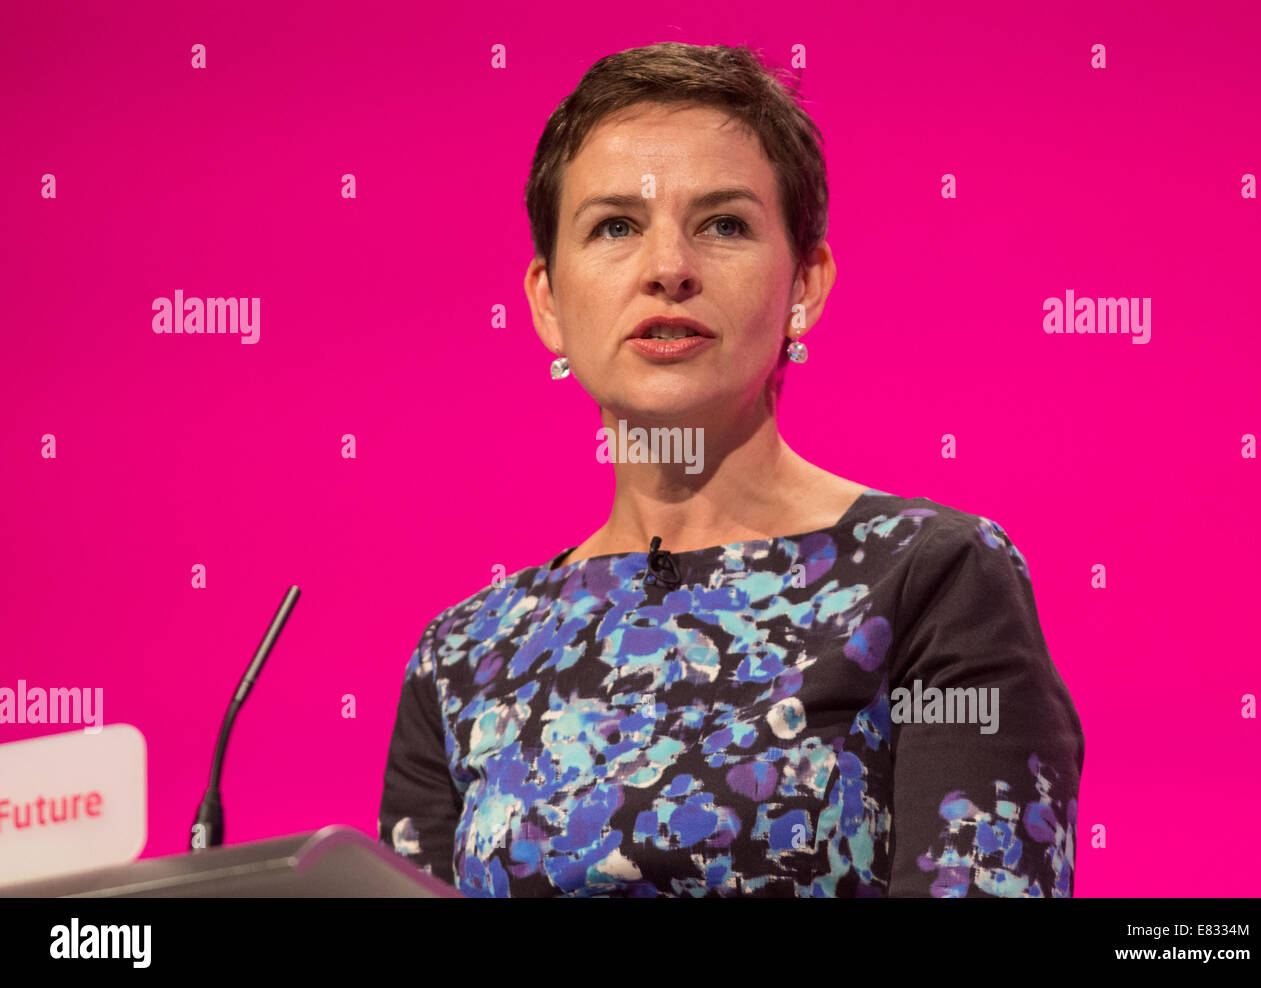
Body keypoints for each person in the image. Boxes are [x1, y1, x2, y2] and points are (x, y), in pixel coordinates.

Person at [378, 41, 1084, 897]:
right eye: (614, 227)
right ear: (547, 302)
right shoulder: (463, 656)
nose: (668, 268)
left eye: (724, 225)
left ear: (805, 286)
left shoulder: (933, 579)